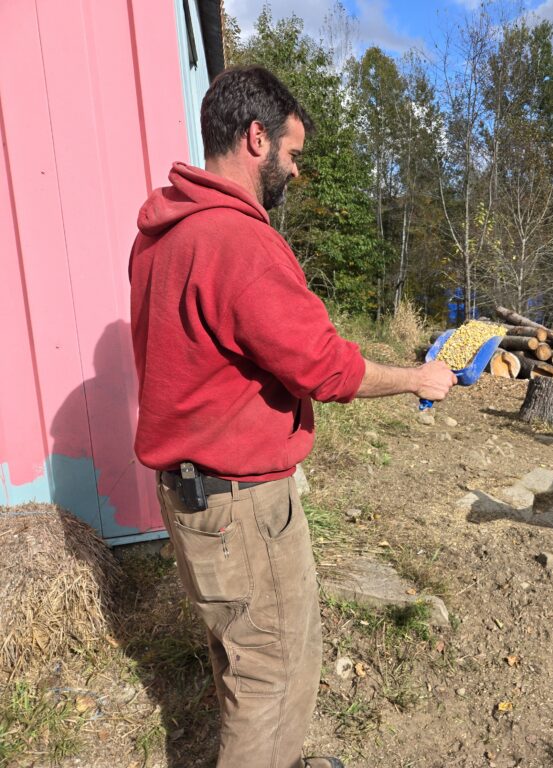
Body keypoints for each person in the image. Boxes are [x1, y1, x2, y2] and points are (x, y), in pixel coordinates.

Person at [128, 66, 456, 768]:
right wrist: (418, 377)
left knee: (240, 657)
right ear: (257, 139)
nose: (296, 171)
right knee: (273, 674)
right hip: (241, 507)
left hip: (192, 498)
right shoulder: (237, 240)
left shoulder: (161, 235)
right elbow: (322, 365)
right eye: (294, 153)